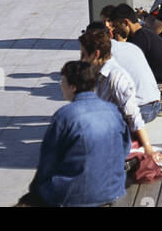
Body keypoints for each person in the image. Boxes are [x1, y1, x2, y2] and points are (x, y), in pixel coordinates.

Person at [18, 60, 129, 207]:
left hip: (75, 195)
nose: (60, 85)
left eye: (63, 81)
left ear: (73, 87)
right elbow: (124, 148)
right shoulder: (112, 110)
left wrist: (36, 190)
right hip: (112, 189)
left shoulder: (64, 116)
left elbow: (48, 161)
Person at [77, 27, 161, 162]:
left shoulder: (116, 77)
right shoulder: (98, 72)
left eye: (84, 55)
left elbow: (134, 116)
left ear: (96, 54)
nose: (81, 60)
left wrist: (148, 149)